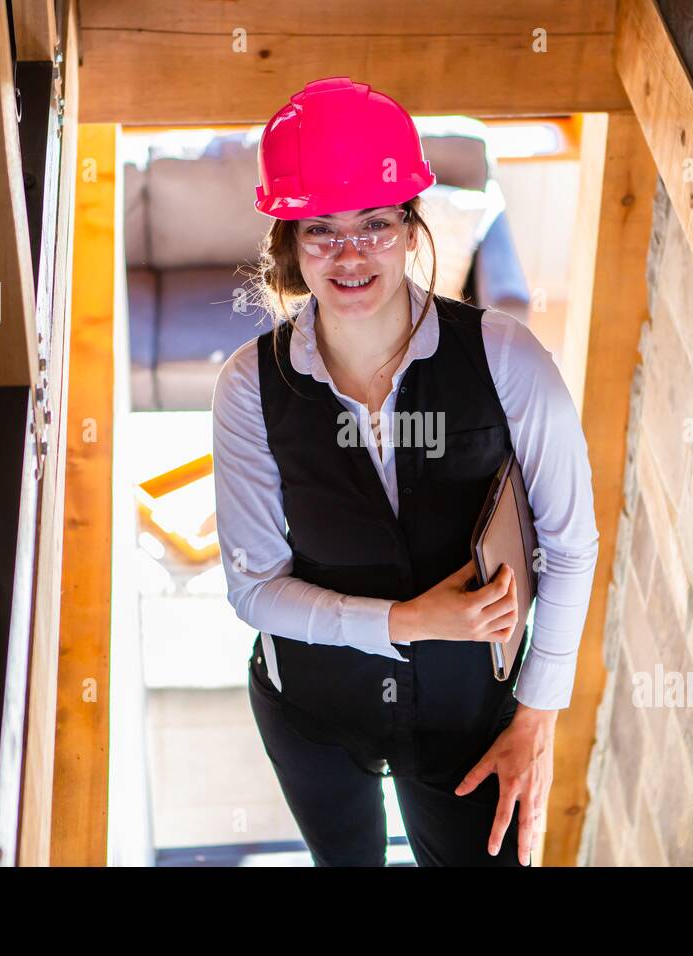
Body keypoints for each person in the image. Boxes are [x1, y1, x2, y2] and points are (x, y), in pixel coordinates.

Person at [211, 76, 599, 866]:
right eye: (321, 229)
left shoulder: (506, 358)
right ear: (288, 243)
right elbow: (254, 588)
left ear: (410, 223)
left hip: (469, 716)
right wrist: (406, 622)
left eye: (376, 224)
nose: (351, 255)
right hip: (310, 711)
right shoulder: (249, 387)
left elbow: (571, 544)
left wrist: (536, 717)